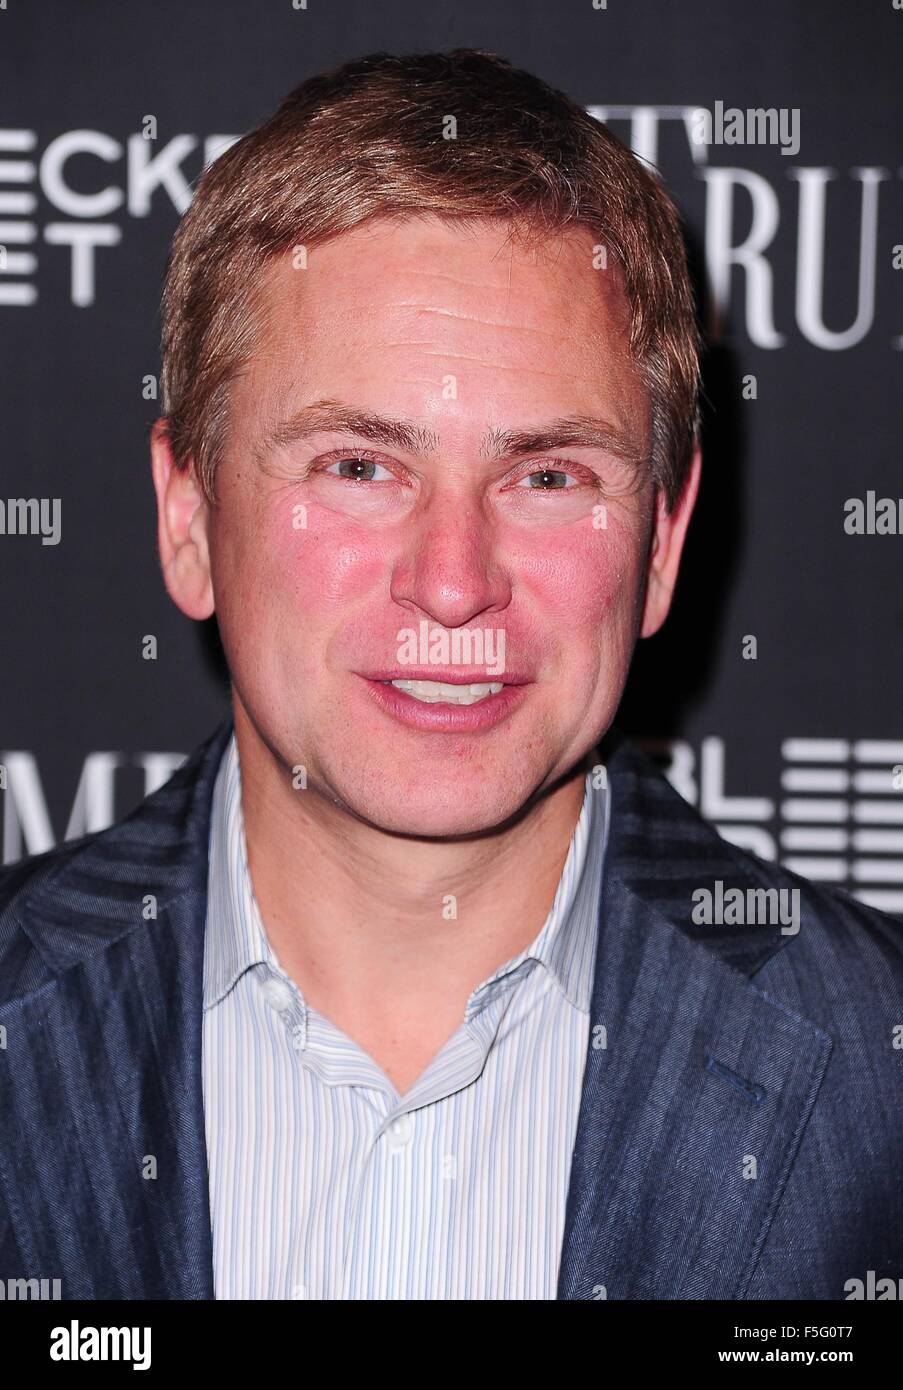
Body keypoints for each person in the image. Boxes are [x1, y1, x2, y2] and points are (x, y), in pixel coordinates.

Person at [1, 49, 900, 1302]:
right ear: (189, 515)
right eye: (357, 465)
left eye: (548, 475)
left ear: (663, 543)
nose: (452, 577)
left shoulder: (880, 1080)